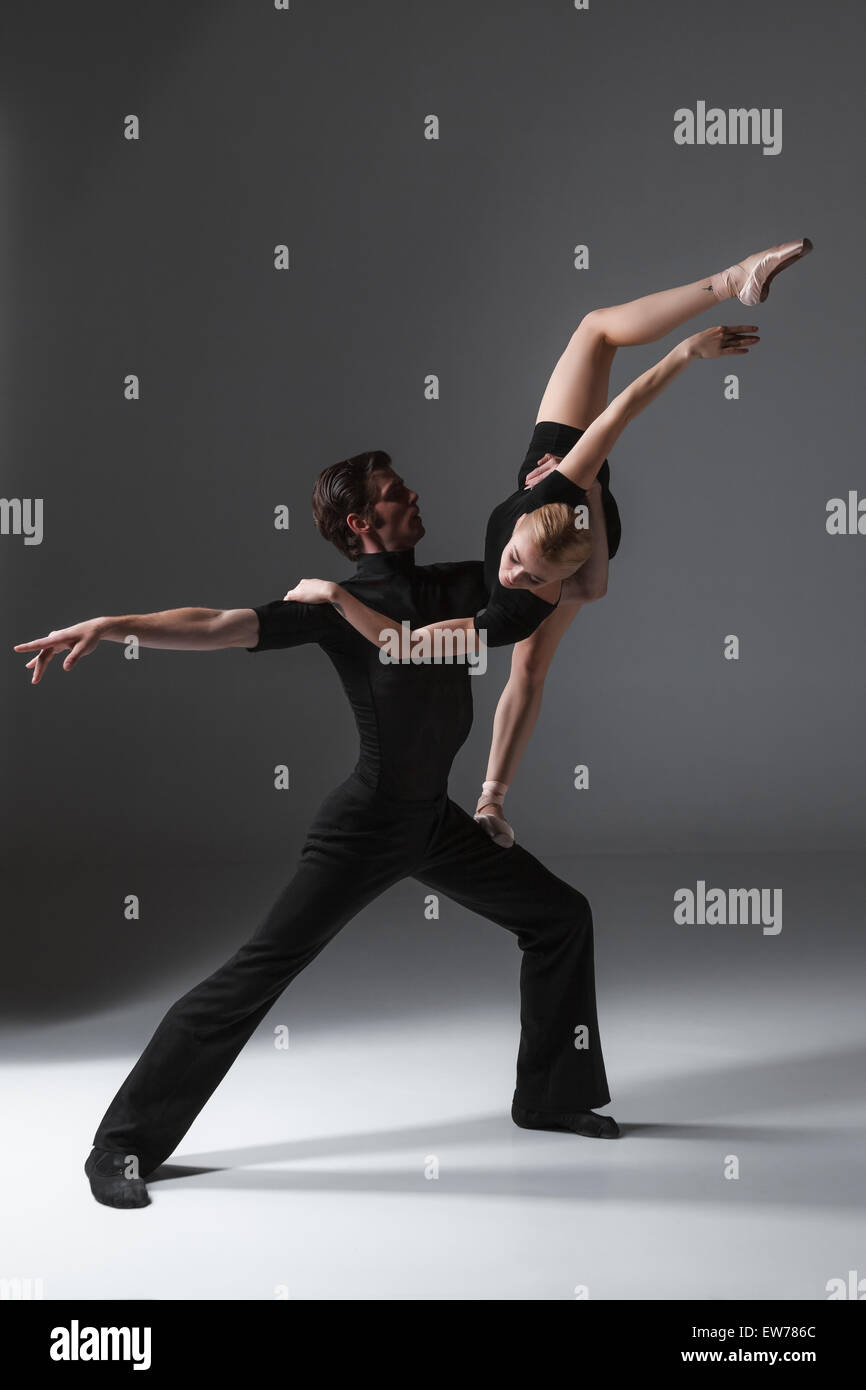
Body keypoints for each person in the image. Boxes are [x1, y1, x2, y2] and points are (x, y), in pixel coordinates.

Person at [14, 454, 621, 1210]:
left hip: (431, 820)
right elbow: (217, 624)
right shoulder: (336, 608)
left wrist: (571, 490)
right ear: (362, 524)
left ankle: (550, 1099)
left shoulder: (460, 583)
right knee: (254, 974)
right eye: (398, 494)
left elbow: (568, 579)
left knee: (560, 917)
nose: (415, 495)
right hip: (365, 827)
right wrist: (112, 627)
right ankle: (123, 1143)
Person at [283, 238, 812, 846]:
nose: (508, 575)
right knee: (593, 333)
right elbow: (616, 423)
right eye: (517, 563)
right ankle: (733, 279)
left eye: (525, 575)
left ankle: (491, 804)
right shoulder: (536, 540)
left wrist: (333, 593)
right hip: (570, 496)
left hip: (571, 497)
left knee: (529, 666)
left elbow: (400, 644)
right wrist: (684, 355)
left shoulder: (526, 561)